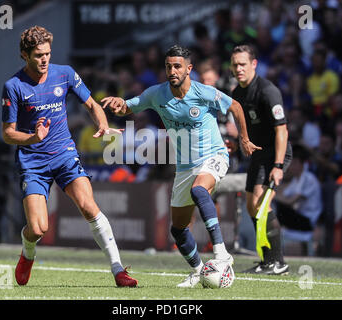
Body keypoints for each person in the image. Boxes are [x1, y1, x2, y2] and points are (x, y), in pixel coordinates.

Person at [102, 45, 261, 287]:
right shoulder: (157, 94)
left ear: (189, 69)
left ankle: (221, 253)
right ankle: (198, 270)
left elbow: (235, 107)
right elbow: (129, 106)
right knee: (177, 230)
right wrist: (118, 103)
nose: (172, 71)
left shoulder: (203, 92)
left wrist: (244, 138)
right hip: (185, 167)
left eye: (177, 66)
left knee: (200, 190)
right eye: (168, 66)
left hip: (214, 156)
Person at [1, 26, 137, 287]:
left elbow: (92, 104)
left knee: (88, 206)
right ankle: (27, 253)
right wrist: (32, 138)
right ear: (24, 55)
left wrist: (101, 123)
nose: (44, 59)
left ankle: (119, 270)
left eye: (48, 54)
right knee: (38, 229)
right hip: (33, 162)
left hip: (64, 154)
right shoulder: (13, 87)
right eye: (38, 55)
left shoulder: (65, 74)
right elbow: (8, 133)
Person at [230, 45, 293, 275]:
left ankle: (278, 262)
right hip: (258, 154)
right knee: (251, 207)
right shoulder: (237, 94)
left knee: (261, 205)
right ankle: (267, 261)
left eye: (243, 64)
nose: (239, 69)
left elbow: (282, 131)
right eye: (235, 64)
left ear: (253, 65)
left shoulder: (268, 91)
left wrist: (278, 166)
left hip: (276, 153)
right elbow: (243, 127)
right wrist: (237, 143)